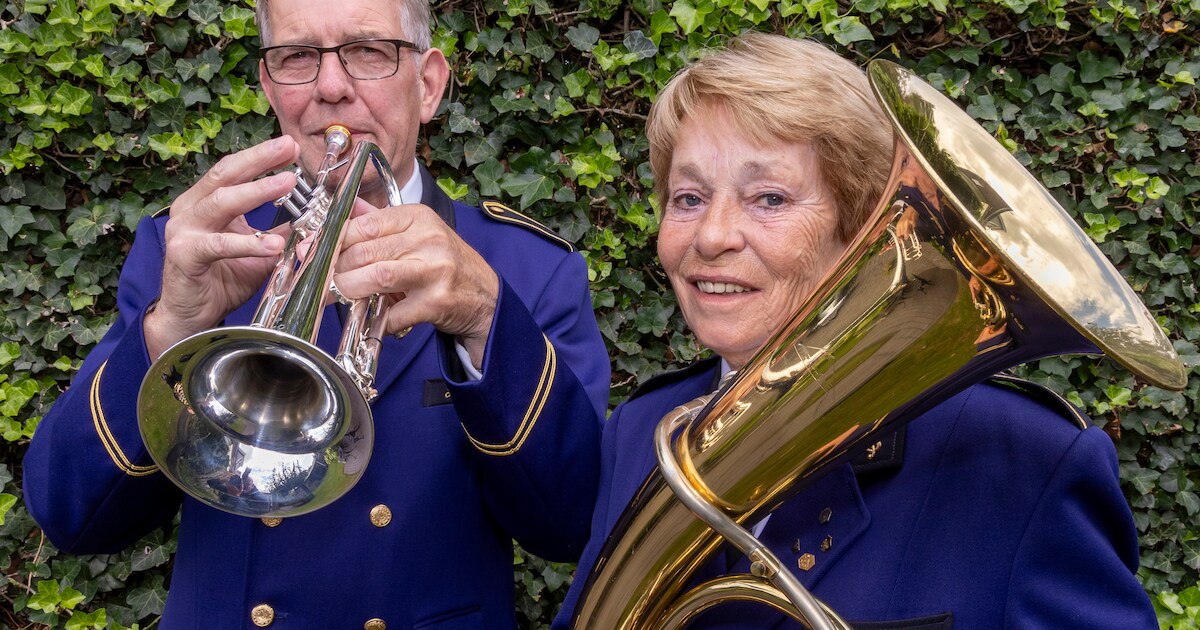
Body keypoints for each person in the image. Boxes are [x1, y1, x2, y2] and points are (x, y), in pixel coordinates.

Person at [22, 0, 610, 626]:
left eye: (368, 51)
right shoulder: (197, 248)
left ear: (429, 84)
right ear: (269, 86)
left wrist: (487, 318)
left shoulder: (525, 267)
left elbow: (571, 527)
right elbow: (70, 515)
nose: (331, 87)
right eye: (298, 56)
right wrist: (172, 328)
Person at [553, 32, 1158, 629]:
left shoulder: (1025, 460)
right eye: (688, 198)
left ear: (863, 225)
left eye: (769, 198)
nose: (711, 237)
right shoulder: (641, 431)